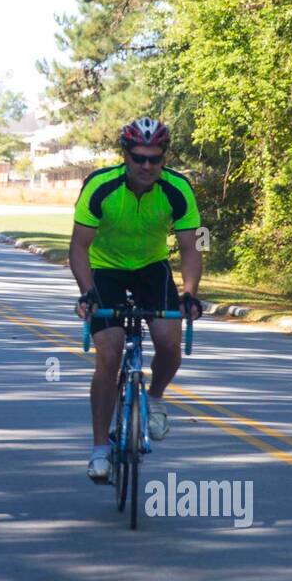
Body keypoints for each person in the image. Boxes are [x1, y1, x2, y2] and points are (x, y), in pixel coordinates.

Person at [69, 116, 204, 483]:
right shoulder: (100, 186)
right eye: (139, 158)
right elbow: (78, 248)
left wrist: (190, 292)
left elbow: (191, 249)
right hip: (105, 269)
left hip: (151, 267)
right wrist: (87, 291)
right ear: (125, 156)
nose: (147, 166)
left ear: (164, 159)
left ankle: (156, 398)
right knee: (109, 352)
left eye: (155, 159)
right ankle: (100, 449)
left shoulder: (177, 189)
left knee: (169, 343)